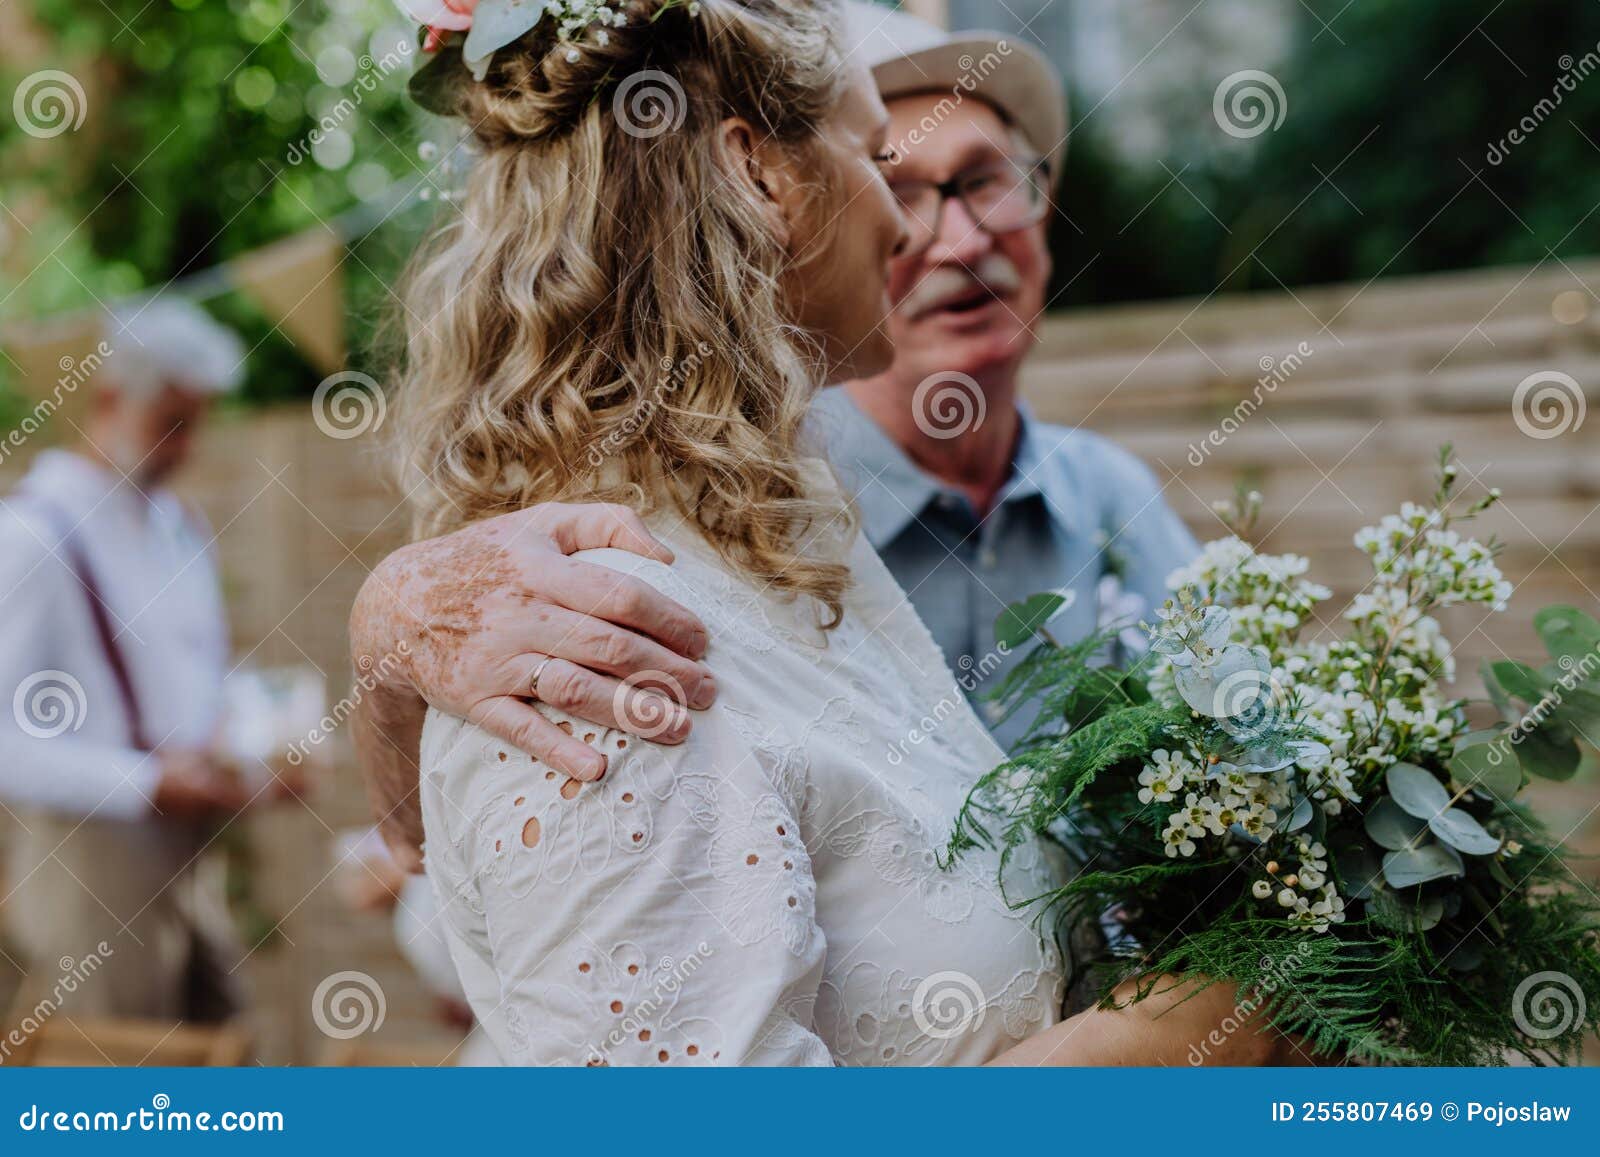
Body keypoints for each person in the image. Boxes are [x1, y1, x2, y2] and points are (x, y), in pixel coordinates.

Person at [367, 0, 1290, 1066]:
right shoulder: (600, 637)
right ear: (760, 178)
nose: (917, 231)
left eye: (984, 179)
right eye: (876, 162)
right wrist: (1165, 1042)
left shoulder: (789, 543)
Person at [0, 299, 274, 1023]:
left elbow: (203, 679)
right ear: (109, 398)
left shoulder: (179, 528)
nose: (186, 446)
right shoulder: (32, 537)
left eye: (197, 423)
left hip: (187, 851)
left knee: (224, 1057)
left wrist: (256, 746)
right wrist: (144, 782)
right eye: (172, 422)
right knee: (116, 1091)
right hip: (90, 860)